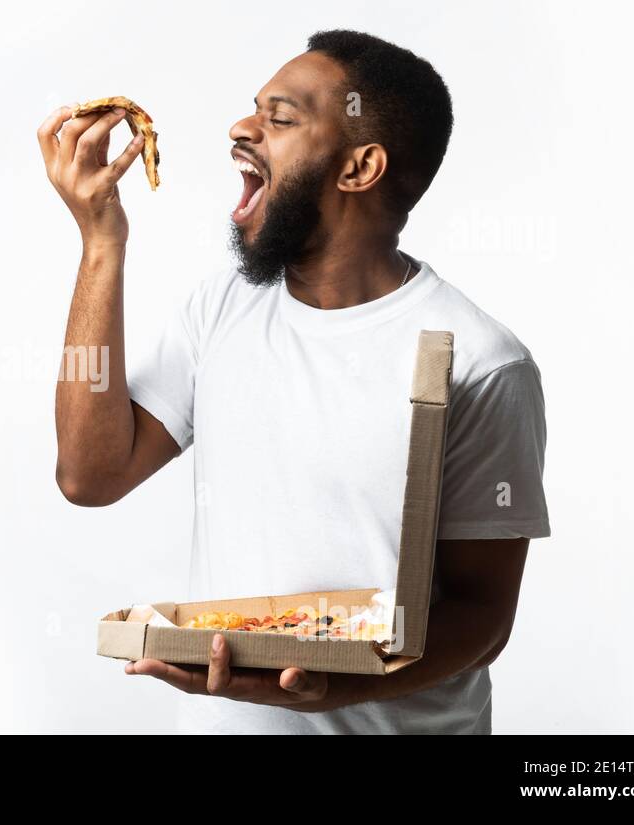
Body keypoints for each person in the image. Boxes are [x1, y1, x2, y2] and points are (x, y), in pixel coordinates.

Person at [37, 29, 550, 734]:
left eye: (279, 119)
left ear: (360, 166)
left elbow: (483, 617)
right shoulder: (219, 309)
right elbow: (88, 473)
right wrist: (100, 244)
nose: (241, 129)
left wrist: (333, 692)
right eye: (256, 110)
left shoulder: (482, 361)